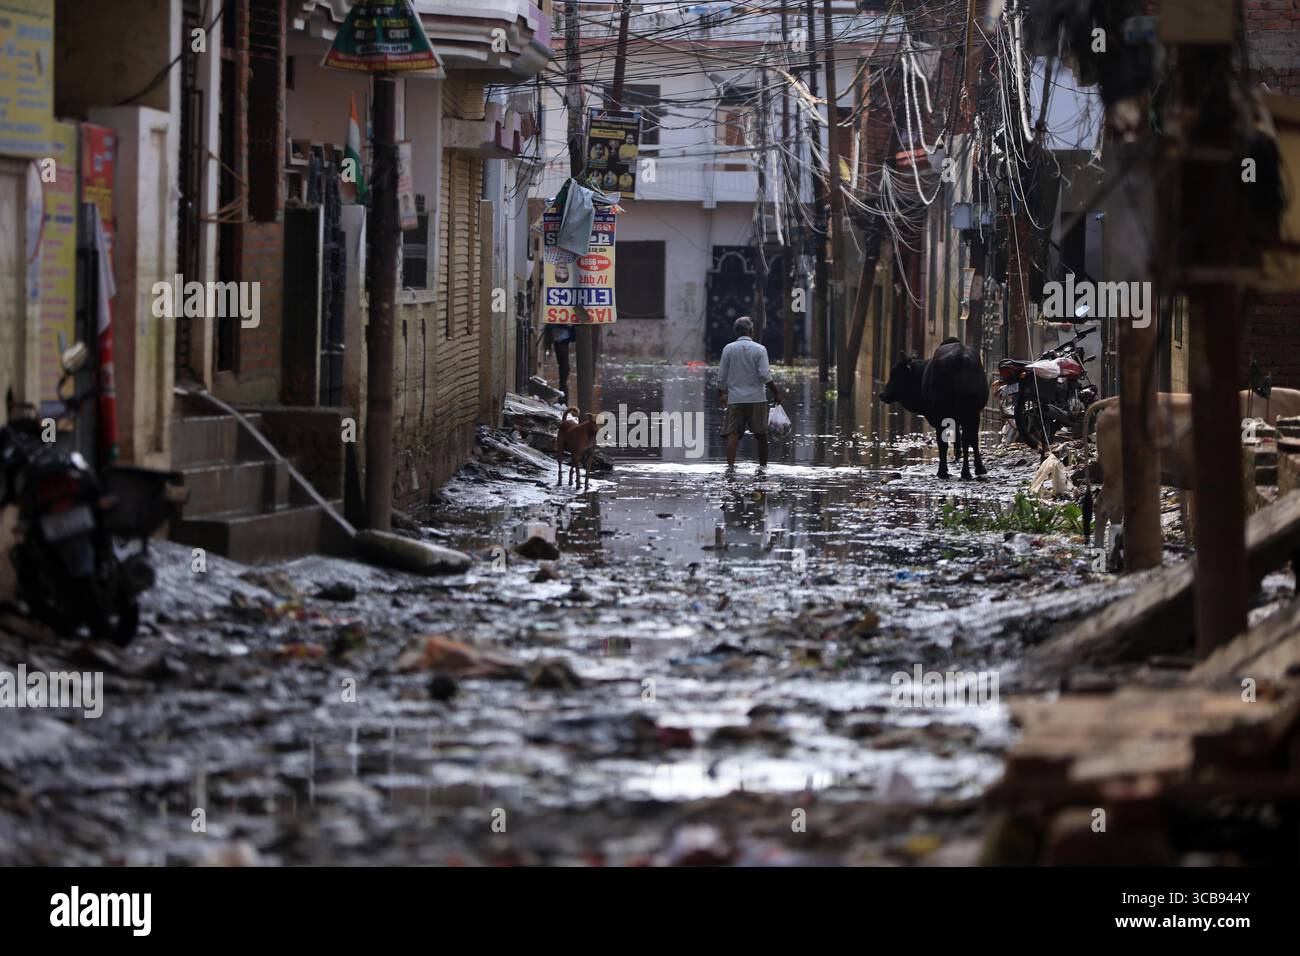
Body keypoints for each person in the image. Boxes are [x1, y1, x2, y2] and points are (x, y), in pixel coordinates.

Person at [717, 316, 783, 471]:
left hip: (735, 399)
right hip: (757, 398)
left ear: (736, 332)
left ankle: (731, 468)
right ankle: (763, 468)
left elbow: (721, 377)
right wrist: (776, 392)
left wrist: (721, 394)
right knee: (760, 434)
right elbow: (765, 375)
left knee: (732, 433)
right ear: (751, 331)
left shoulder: (728, 349)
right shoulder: (760, 349)